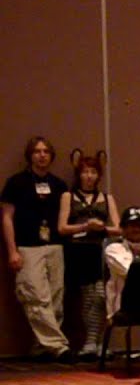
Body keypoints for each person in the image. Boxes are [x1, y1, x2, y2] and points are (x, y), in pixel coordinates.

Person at [2, 136, 72, 362]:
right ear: (30, 155)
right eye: (37, 151)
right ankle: (60, 347)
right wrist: (12, 251)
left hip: (55, 246)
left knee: (55, 300)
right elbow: (6, 218)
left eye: (45, 151)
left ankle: (43, 347)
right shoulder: (16, 183)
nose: (42, 155)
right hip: (28, 246)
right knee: (35, 297)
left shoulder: (59, 185)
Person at [57, 150, 120, 359]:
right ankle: (90, 343)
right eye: (85, 172)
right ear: (79, 174)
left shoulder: (106, 198)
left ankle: (99, 341)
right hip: (78, 251)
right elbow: (62, 228)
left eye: (93, 172)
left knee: (102, 295)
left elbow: (119, 228)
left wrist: (101, 228)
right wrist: (85, 225)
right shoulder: (68, 196)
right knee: (87, 298)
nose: (89, 176)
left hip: (100, 250)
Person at [104, 206, 140, 322]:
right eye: (132, 225)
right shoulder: (113, 249)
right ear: (123, 228)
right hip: (123, 307)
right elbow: (132, 273)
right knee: (138, 267)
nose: (137, 229)